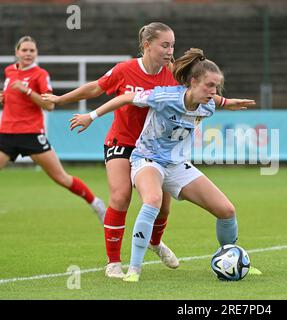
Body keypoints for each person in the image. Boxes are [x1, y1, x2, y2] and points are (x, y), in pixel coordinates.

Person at [42, 22, 255, 278]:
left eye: (172, 45)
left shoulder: (174, 72)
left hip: (162, 149)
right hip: (125, 142)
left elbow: (199, 90)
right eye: (165, 45)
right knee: (121, 196)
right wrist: (64, 101)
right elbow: (96, 88)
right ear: (147, 45)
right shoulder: (126, 69)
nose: (170, 50)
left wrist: (225, 101)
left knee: (163, 208)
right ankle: (114, 262)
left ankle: (154, 242)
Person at [0, 36, 106, 223]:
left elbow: (49, 106)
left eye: (32, 50)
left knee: (62, 178)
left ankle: (95, 202)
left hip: (31, 134)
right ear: (17, 52)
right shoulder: (9, 71)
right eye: (24, 50)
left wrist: (27, 91)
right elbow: (11, 98)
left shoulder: (40, 74)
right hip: (6, 133)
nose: (28, 54)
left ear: (36, 53)